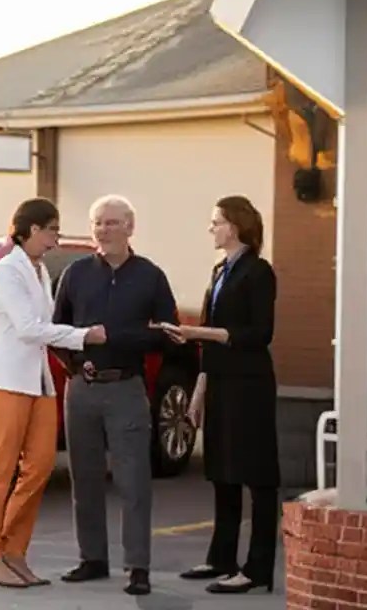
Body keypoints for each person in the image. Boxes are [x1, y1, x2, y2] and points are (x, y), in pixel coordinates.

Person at [0, 197, 106, 589]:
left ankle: (13, 549)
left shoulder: (38, 269)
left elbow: (42, 326)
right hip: (4, 382)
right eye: (52, 230)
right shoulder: (6, 271)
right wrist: (84, 336)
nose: (55, 238)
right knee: (1, 469)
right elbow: (30, 328)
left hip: (38, 382)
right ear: (31, 229)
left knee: (41, 465)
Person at [52, 195, 177, 596]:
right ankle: (92, 559)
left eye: (111, 223)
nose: (103, 230)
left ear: (129, 227)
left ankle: (137, 566)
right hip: (81, 390)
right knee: (84, 478)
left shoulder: (150, 276)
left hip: (126, 388)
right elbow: (56, 329)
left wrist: (115, 337)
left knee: (133, 481)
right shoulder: (75, 274)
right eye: (97, 223)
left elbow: (167, 333)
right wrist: (76, 361)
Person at [162, 195, 279, 594]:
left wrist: (198, 332)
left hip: (250, 386)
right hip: (220, 384)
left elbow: (259, 334)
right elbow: (211, 342)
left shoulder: (258, 272)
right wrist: (198, 393)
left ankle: (258, 568)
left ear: (236, 225)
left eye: (216, 222)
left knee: (257, 476)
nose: (210, 228)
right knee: (222, 472)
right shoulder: (220, 270)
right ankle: (221, 558)